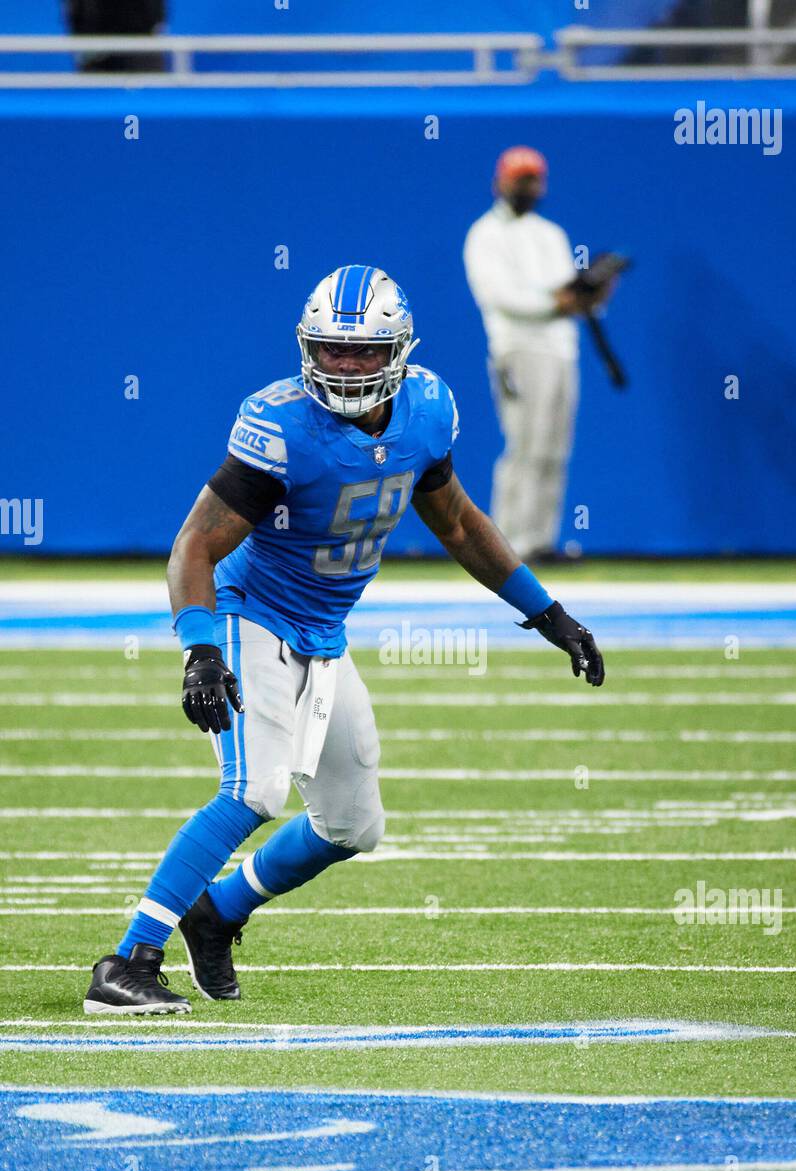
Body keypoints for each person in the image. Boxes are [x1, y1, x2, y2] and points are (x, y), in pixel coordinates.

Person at [83, 265, 605, 1016]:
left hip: (324, 633)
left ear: (399, 350)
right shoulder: (282, 425)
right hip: (250, 613)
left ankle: (218, 912)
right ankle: (129, 961)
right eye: (332, 351)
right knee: (254, 788)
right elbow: (195, 544)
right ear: (308, 349)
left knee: (353, 826)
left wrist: (549, 613)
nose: (348, 366)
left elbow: (456, 522)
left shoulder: (426, 409)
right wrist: (200, 649)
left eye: (364, 353)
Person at [463, 146, 612, 563]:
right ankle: (505, 544)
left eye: (534, 179)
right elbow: (500, 296)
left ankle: (540, 539)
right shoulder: (485, 234)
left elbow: (570, 294)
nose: (528, 187)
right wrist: (559, 302)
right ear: (500, 182)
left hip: (561, 350)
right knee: (524, 445)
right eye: (520, 178)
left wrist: (591, 294)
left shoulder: (551, 234)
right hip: (518, 348)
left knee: (553, 449)